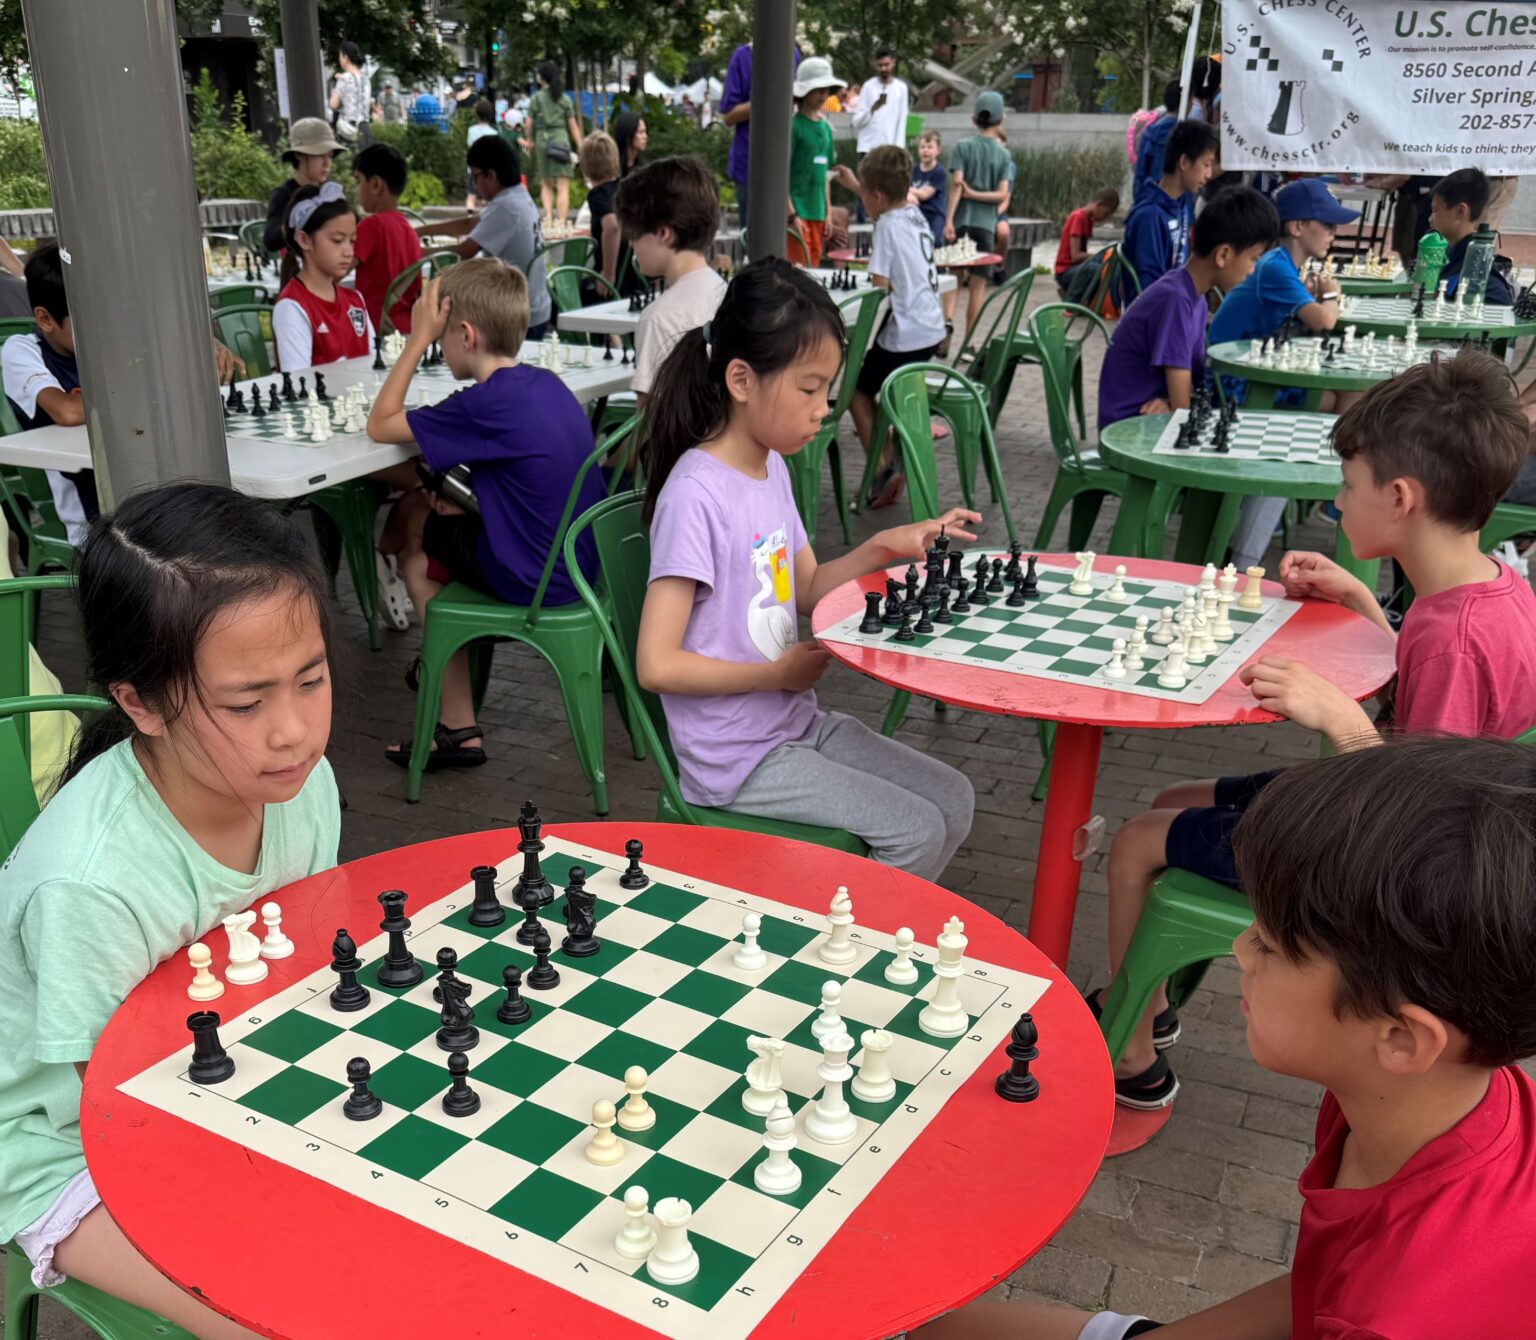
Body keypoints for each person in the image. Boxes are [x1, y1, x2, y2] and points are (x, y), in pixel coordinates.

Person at [922, 736, 1536, 1340]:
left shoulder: (1394, 1311)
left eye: (1269, 944)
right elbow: (1322, 1284)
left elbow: (1354, 1303)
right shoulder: (1427, 1098)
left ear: (1402, 1038)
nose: (1240, 950)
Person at [1096, 351, 1536, 1110]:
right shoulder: (1489, 591)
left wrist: (1339, 715)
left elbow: (1420, 820)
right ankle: (1150, 1000)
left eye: (1347, 485)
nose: (1337, 502)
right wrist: (1361, 600)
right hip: (1382, 805)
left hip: (1383, 861)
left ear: (1399, 497)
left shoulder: (1453, 637)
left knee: (1137, 841)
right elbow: (1437, 718)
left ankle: (1131, 1054)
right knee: (1175, 798)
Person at [0, 482, 339, 1340]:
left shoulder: (302, 785)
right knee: (287, 1315)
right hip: (60, 1149)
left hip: (222, 1082)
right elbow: (123, 1120)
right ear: (140, 703)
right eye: (245, 703)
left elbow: (301, 966)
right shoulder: (91, 885)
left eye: (311, 680)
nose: (293, 731)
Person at [635, 258, 976, 877]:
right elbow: (656, 665)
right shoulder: (696, 495)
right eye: (809, 389)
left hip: (794, 722)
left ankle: (873, 919)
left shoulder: (770, 467)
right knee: (916, 829)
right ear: (742, 380)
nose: (825, 408)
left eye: (828, 389)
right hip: (736, 759)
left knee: (955, 797)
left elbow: (810, 589)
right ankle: (857, 933)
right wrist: (775, 674)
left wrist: (886, 546)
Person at [367, 263, 603, 770]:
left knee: (418, 555)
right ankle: (447, 687)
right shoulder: (546, 384)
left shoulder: (485, 403)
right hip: (580, 562)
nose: (437, 345)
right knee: (425, 511)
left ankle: (455, 721)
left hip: (536, 578)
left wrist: (415, 340)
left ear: (466, 335)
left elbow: (380, 424)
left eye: (440, 338)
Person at [1208, 179, 1360, 572]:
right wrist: (1331, 294)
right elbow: (1325, 320)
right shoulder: (1275, 266)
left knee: (1355, 400)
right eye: (1327, 224)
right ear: (1296, 226)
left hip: (1251, 373)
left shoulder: (1284, 264)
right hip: (1231, 384)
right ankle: (1326, 494)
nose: (1333, 233)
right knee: (1308, 432)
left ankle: (1330, 491)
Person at [1098, 187, 1278, 432]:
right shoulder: (1177, 300)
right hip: (1129, 426)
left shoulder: (1194, 297)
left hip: (1151, 414)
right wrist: (1175, 402)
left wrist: (1172, 401)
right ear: (1223, 254)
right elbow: (1182, 409)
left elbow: (1189, 387)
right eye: (1253, 259)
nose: (1252, 270)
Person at [831, 146, 945, 511]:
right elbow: (886, 196)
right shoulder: (913, 212)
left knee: (855, 392)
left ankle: (881, 471)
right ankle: (891, 460)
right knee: (874, 390)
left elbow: (878, 288)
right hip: (930, 328)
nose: (862, 200)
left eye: (864, 194)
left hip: (905, 335)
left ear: (877, 196)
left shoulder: (885, 227)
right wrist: (857, 185)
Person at [1, 245, 95, 545]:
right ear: (45, 319)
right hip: (89, 521)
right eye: (91, 322)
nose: (104, 331)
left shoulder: (112, 347)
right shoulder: (22, 350)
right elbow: (66, 411)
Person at [614, 155, 726, 407]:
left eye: (634, 234)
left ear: (664, 234)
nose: (631, 244)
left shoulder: (660, 318)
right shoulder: (727, 294)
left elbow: (649, 419)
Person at [420, 136, 552, 337]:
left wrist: (417, 252)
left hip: (518, 315)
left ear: (490, 175)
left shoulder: (505, 207)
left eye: (475, 177)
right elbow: (471, 224)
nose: (475, 185)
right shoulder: (517, 195)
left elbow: (463, 252)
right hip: (536, 307)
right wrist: (419, 232)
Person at [272, 182, 374, 371]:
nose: (348, 252)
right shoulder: (292, 307)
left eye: (352, 241)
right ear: (304, 240)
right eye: (337, 240)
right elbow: (298, 381)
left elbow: (376, 362)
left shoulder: (355, 300)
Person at [942, 90, 1012, 346]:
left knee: (953, 278)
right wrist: (978, 194)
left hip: (961, 221)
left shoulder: (962, 147)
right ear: (1001, 119)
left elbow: (957, 186)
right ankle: (969, 342)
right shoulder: (1003, 155)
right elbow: (1002, 194)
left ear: (973, 119)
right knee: (977, 286)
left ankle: (947, 321)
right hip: (985, 226)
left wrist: (949, 221)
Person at [1119, 118, 1220, 295]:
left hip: (1173, 300)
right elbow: (1149, 289)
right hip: (1157, 307)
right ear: (1184, 162)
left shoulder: (1180, 205)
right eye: (1206, 164)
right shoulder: (1150, 217)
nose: (1209, 174)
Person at [352, 142, 423, 335]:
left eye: (358, 181)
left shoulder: (371, 225)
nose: (357, 189)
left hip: (375, 330)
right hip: (408, 326)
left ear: (376, 184)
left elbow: (336, 271)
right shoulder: (408, 229)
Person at [1429, 167, 1516, 304]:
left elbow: (1501, 306)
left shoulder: (1479, 271)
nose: (1430, 219)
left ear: (1460, 211)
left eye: (1435, 210)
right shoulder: (1451, 254)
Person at [788, 57, 843, 269]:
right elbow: (781, 176)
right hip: (798, 213)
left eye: (826, 90)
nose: (823, 95)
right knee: (797, 272)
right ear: (804, 91)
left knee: (813, 272)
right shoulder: (793, 127)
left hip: (819, 214)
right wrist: (791, 215)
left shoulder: (826, 129)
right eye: (818, 90)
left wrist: (828, 214)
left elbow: (826, 176)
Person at [262, 117, 340, 255]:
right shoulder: (284, 195)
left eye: (330, 156)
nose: (327, 163)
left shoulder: (330, 193)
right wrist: (295, 220)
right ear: (299, 155)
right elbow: (270, 240)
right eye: (320, 155)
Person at [850, 49, 910, 223]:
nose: (883, 68)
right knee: (864, 188)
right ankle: (861, 224)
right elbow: (856, 121)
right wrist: (873, 108)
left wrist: (898, 149)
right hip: (868, 147)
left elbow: (902, 119)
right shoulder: (868, 87)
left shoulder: (901, 88)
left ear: (893, 63)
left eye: (886, 64)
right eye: (880, 65)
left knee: (887, 190)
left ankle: (888, 223)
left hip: (889, 150)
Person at [522, 61, 583, 229]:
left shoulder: (536, 98)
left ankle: (548, 219)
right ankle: (561, 222)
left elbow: (528, 124)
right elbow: (573, 126)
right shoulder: (564, 99)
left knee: (546, 182)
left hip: (542, 141)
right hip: (561, 140)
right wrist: (580, 146)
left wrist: (529, 140)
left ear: (541, 78)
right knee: (563, 185)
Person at [578, 132, 622, 299]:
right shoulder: (623, 187)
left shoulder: (598, 195)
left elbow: (612, 226)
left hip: (609, 284)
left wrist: (608, 273)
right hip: (630, 276)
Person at [1053, 187, 1119, 298]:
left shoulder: (1088, 221)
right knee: (1094, 268)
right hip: (1065, 272)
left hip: (1077, 269)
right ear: (1098, 205)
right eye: (1106, 214)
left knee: (1108, 264)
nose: (1105, 219)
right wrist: (1098, 255)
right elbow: (1075, 256)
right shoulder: (1077, 218)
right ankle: (1071, 300)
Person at [1131, 80, 1180, 203]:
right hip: (1168, 200)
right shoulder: (1182, 132)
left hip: (1148, 198)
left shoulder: (1150, 130)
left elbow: (1140, 172)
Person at [909, 129, 947, 247]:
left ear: (938, 150)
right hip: (917, 213)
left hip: (934, 213)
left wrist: (907, 190)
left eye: (930, 147)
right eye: (922, 147)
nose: (925, 150)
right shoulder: (913, 170)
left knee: (933, 240)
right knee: (916, 241)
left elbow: (925, 194)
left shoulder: (939, 172)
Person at [329, 40, 370, 147]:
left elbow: (333, 104)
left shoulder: (344, 78)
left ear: (345, 57)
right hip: (365, 128)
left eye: (340, 56)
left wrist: (334, 92)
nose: (339, 59)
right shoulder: (366, 79)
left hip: (349, 130)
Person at [464, 98, 499, 207]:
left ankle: (470, 213)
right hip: (489, 169)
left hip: (474, 167)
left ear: (477, 114)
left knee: (471, 195)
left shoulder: (471, 130)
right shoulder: (494, 133)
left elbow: (470, 148)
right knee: (489, 197)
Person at [612, 111, 648, 178]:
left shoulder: (644, 169)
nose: (645, 136)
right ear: (628, 135)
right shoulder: (611, 169)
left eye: (645, 132)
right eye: (640, 132)